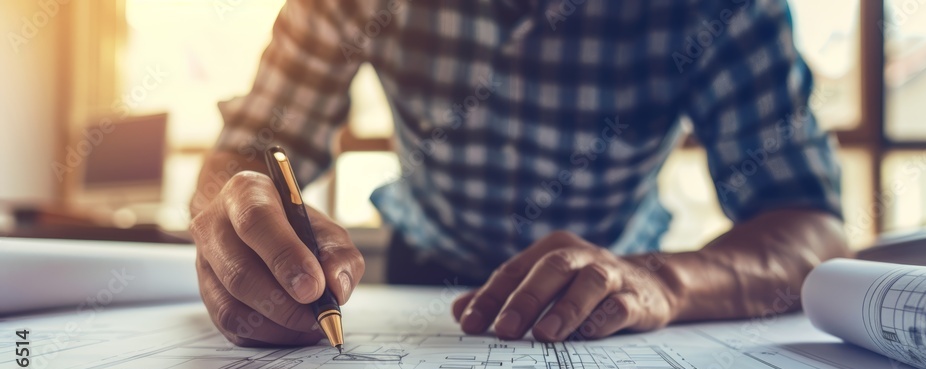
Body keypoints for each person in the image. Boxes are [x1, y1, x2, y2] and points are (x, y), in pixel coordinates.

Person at [189, 0, 849, 347]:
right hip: (425, 275)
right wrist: (236, 207)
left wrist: (662, 282)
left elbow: (810, 228)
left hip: (613, 300)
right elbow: (257, 147)